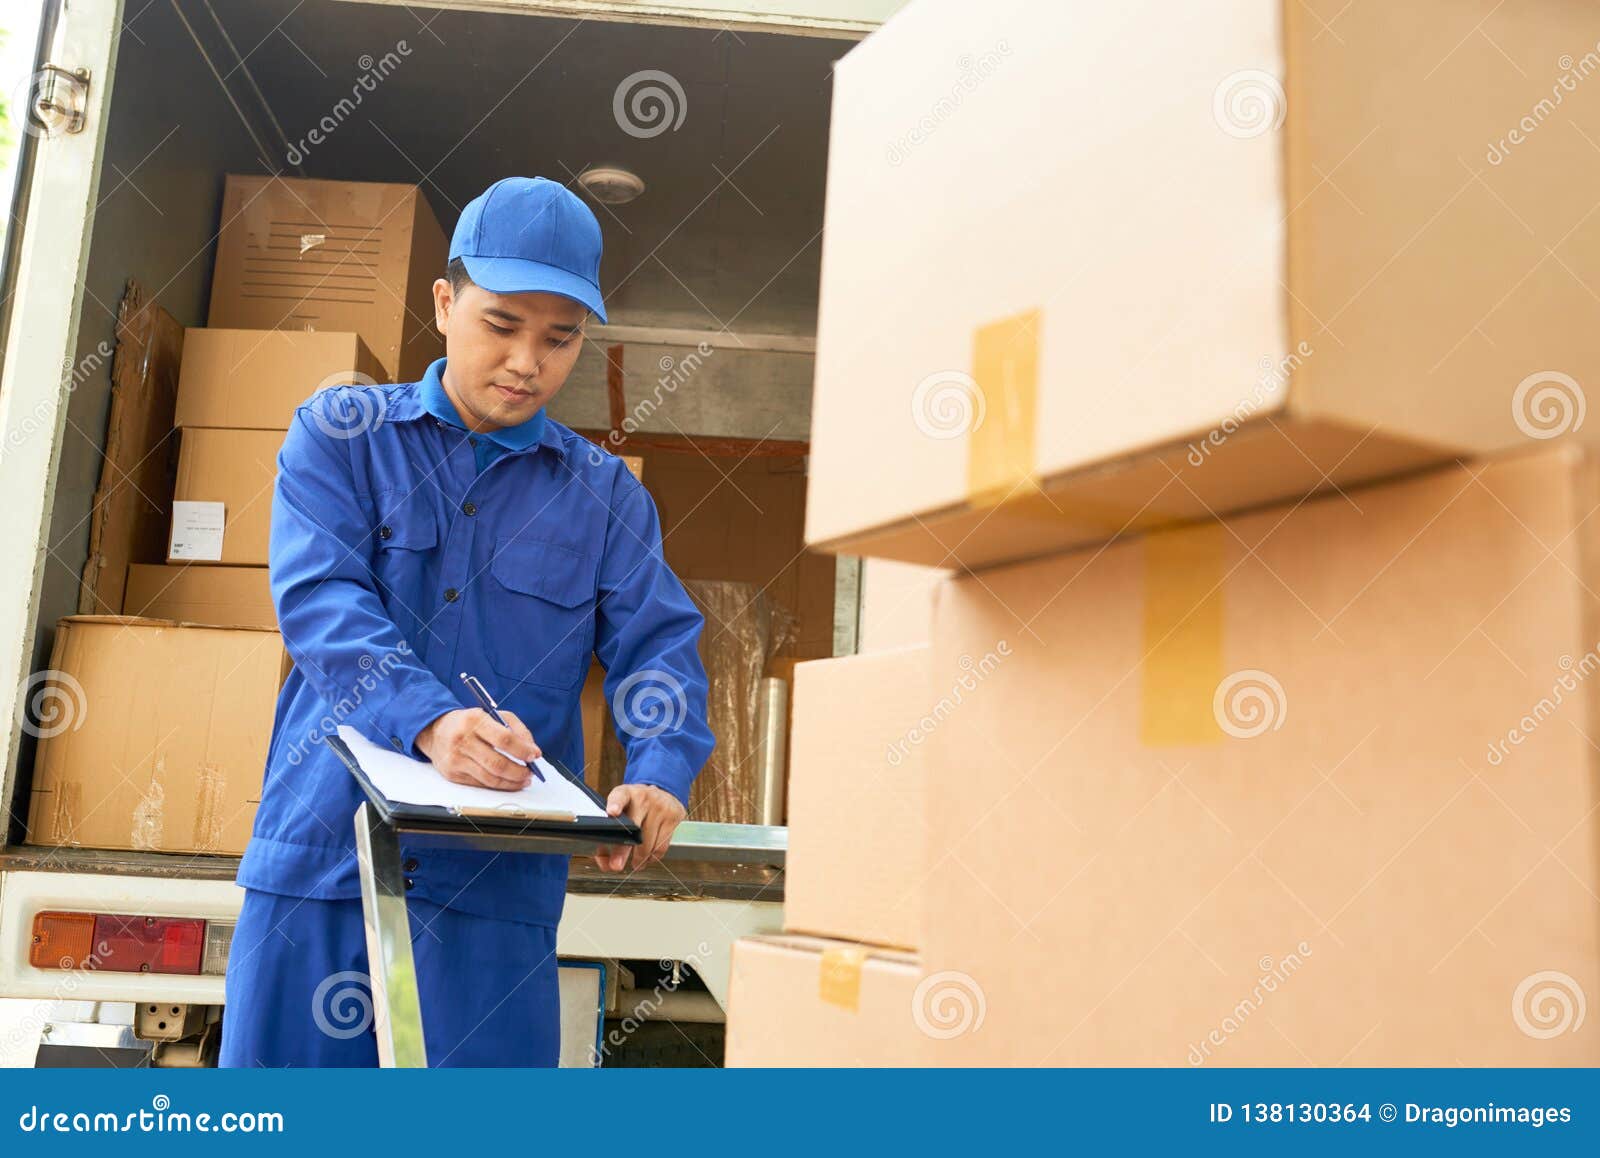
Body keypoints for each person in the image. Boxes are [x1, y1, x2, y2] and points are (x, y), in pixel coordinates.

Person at [218, 176, 714, 1067]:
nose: (527, 361)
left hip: (491, 892)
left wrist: (660, 768)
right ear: (446, 304)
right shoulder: (341, 435)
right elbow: (322, 601)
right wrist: (431, 721)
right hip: (324, 860)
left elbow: (659, 644)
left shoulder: (605, 498)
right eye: (502, 325)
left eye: (559, 338)